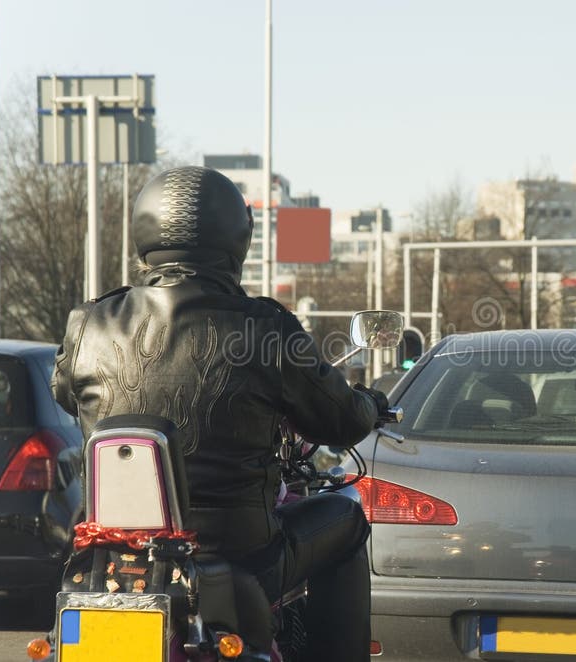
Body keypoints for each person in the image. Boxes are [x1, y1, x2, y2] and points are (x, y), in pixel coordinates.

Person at [51, 165, 389, 662]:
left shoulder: (88, 323)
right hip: (241, 553)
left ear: (145, 234)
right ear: (236, 238)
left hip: (114, 555)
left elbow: (66, 393)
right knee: (348, 515)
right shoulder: (267, 327)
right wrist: (371, 404)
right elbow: (341, 421)